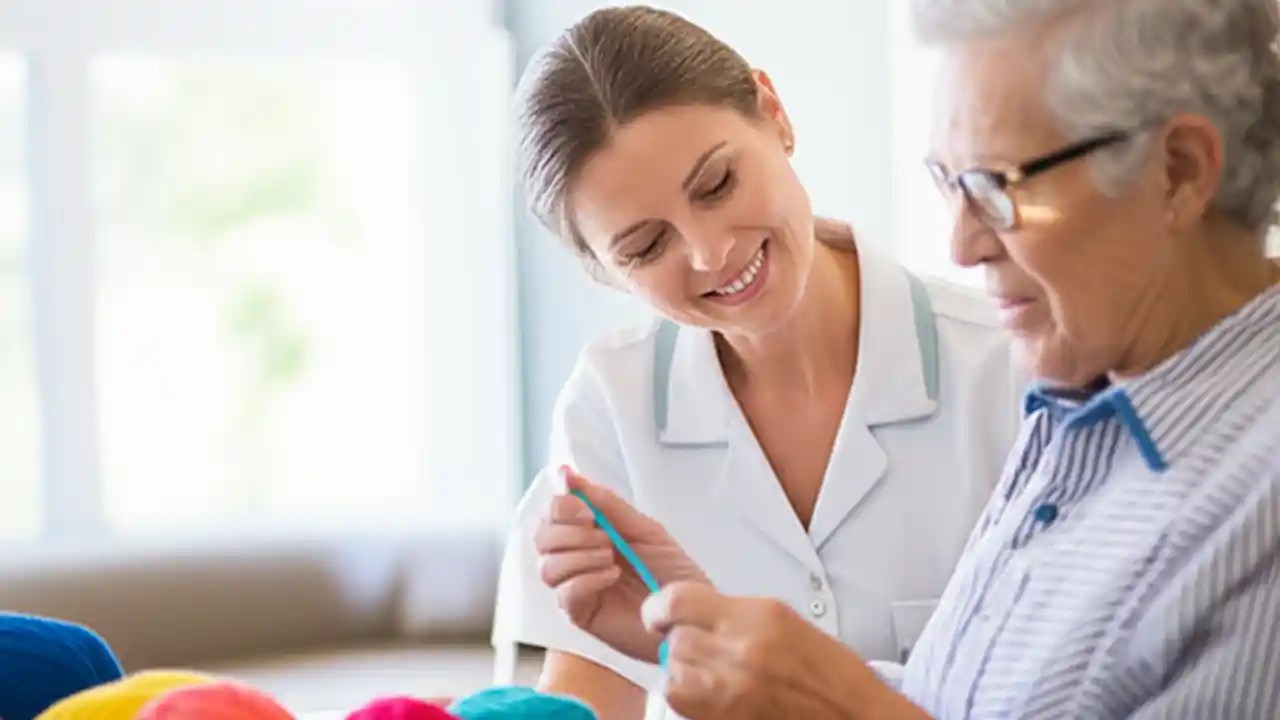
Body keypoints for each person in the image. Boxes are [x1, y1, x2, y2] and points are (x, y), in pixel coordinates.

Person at [532, 0, 1280, 718]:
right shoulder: (1079, 423)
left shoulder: (1250, 499)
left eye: (997, 185)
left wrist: (834, 708)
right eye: (950, 182)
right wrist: (718, 637)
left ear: (1178, 172)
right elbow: (969, 697)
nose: (962, 244)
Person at [491, 6, 1024, 719]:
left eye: (716, 186)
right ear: (602, 270)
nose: (711, 252)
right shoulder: (610, 406)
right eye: (648, 247)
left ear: (773, 113)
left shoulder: (1010, 371)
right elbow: (587, 701)